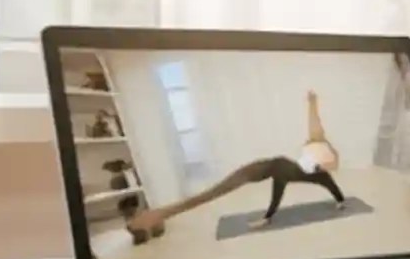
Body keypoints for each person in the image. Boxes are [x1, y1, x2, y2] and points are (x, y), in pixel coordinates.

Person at [124, 89, 345, 240]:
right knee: (214, 193)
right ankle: (158, 216)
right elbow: (315, 122)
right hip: (273, 166)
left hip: (275, 168)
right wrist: (312, 103)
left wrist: (338, 198)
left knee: (213, 193)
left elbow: (328, 176)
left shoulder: (322, 168)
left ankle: (157, 216)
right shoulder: (318, 143)